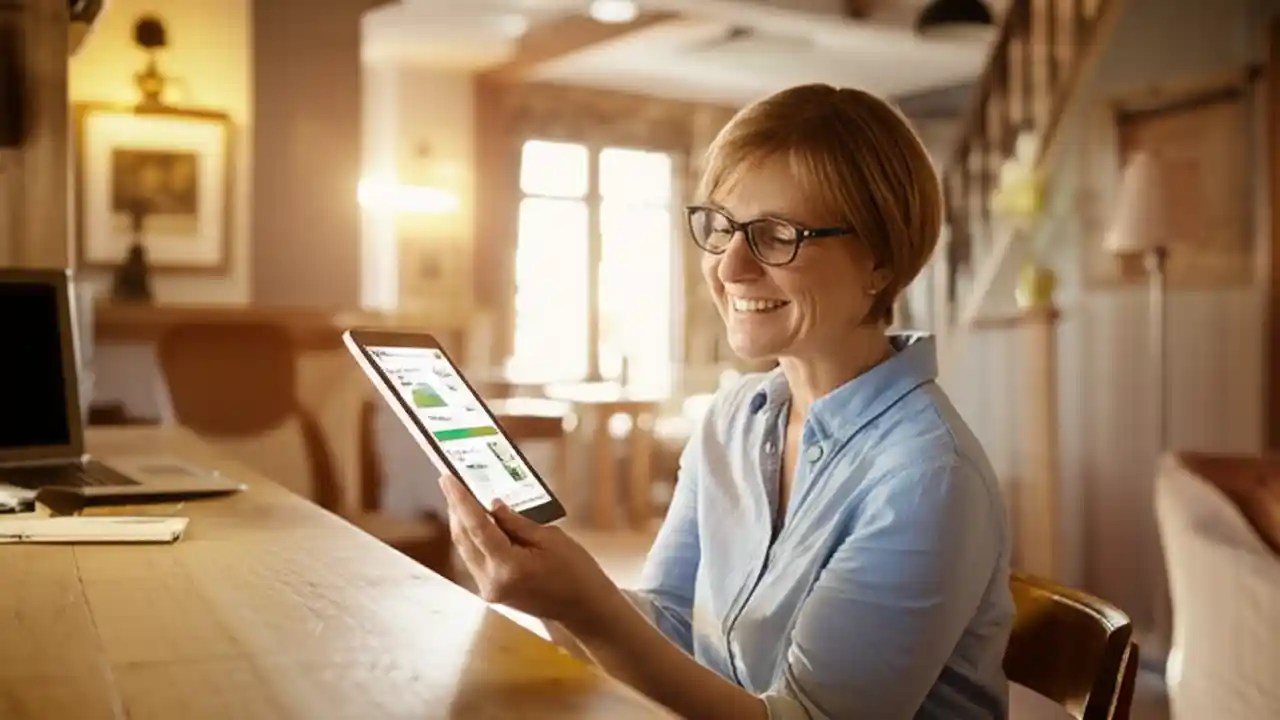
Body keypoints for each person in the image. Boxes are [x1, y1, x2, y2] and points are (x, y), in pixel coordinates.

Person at [439, 83, 1013, 720]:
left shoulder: (928, 477)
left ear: (879, 262)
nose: (730, 267)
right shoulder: (735, 419)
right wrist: (552, 594)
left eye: (777, 235)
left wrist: (584, 606)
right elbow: (669, 625)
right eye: (721, 227)